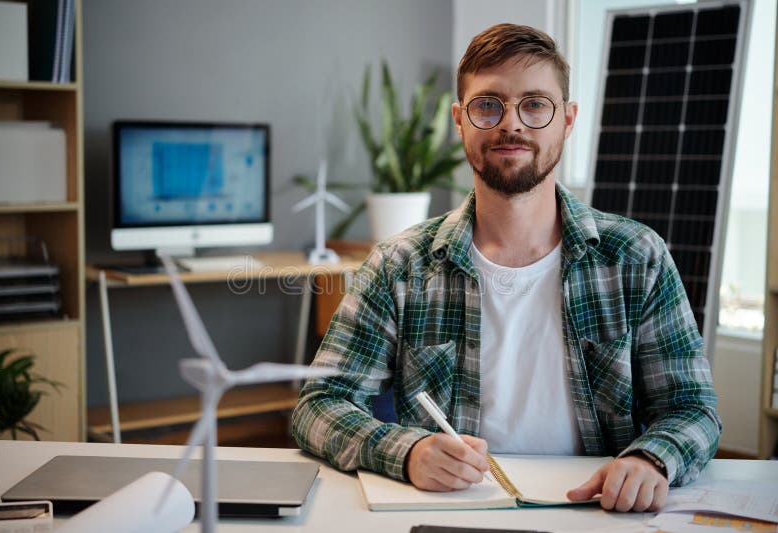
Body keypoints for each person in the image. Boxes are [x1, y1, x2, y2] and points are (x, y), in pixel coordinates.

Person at [291, 23, 721, 513]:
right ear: (459, 119)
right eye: (488, 104)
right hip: (452, 511)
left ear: (568, 119)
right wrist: (405, 452)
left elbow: (692, 409)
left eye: (535, 104)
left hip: (599, 514)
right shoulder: (399, 264)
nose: (510, 124)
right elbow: (319, 405)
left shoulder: (635, 257)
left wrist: (651, 460)